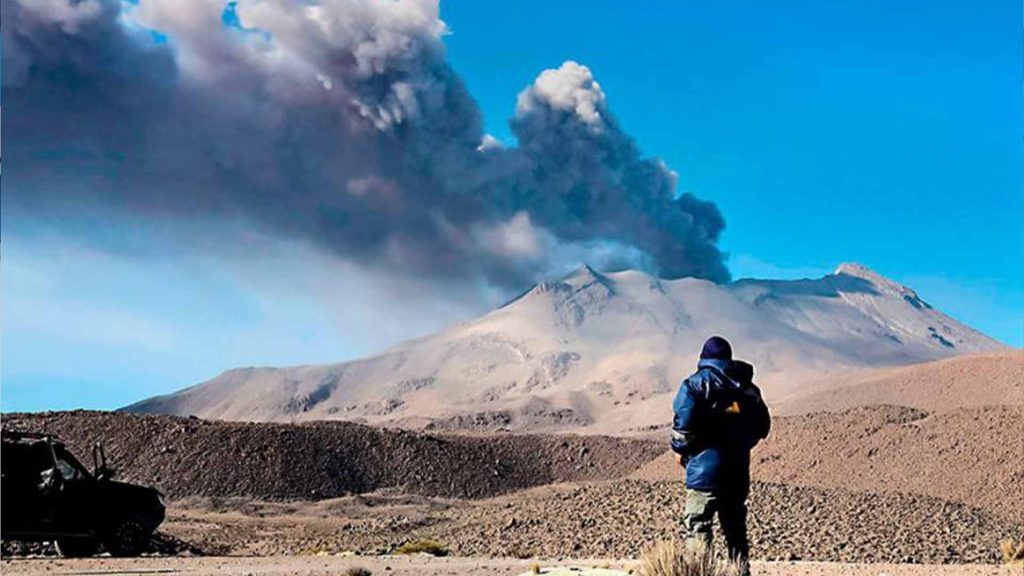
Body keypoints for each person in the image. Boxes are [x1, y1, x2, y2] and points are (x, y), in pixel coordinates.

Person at [671, 336, 771, 572]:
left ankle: (700, 572)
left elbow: (682, 428)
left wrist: (680, 452)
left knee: (698, 525)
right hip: (737, 472)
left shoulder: (694, 386)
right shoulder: (748, 389)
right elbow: (762, 427)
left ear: (704, 357)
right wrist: (741, 444)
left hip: (704, 472)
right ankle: (740, 572)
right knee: (735, 529)